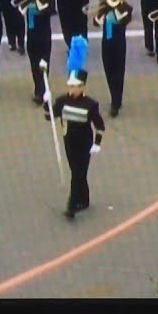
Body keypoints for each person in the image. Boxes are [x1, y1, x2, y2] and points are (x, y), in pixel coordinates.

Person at [49, 37, 106, 219]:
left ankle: (72, 205)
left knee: (78, 173)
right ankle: (85, 198)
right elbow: (49, 115)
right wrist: (46, 102)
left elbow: (100, 126)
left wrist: (97, 143)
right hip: (69, 141)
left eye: (75, 86)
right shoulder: (62, 101)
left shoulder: (91, 104)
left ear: (82, 87)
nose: (71, 89)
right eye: (70, 86)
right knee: (77, 172)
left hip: (85, 142)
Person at [93, 0, 133, 117]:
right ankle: (113, 94)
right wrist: (103, 10)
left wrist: (116, 7)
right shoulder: (105, 7)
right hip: (106, 42)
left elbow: (125, 20)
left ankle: (116, 101)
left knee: (118, 71)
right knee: (108, 69)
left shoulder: (126, 9)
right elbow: (96, 22)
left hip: (118, 43)